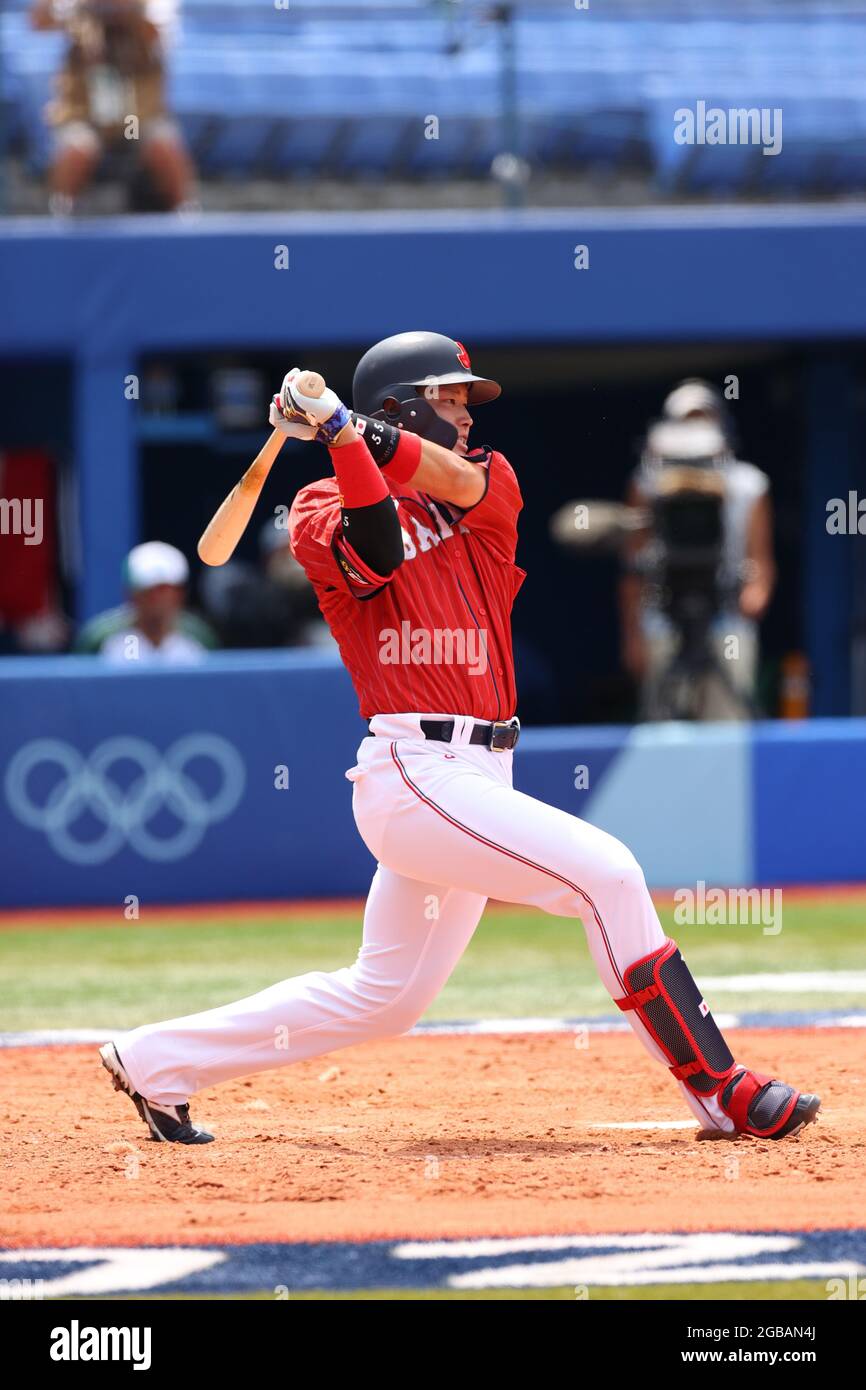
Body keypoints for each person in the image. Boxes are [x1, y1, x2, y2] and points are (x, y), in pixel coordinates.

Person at [99, 333, 818, 1145]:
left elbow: (449, 476)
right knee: (610, 875)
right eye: (449, 398)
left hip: (482, 771)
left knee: (387, 996)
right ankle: (720, 1089)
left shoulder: (488, 485)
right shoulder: (316, 510)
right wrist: (340, 436)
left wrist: (347, 426)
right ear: (402, 405)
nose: (466, 414)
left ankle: (154, 1061)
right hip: (414, 773)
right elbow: (372, 548)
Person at [620, 379, 775, 720]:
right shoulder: (646, 482)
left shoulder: (749, 484)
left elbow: (760, 558)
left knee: (728, 728)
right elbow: (634, 562)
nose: (695, 429)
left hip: (726, 617)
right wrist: (632, 634)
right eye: (686, 420)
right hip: (662, 619)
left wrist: (754, 593)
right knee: (662, 728)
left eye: (703, 419)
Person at [30, 0, 195, 214]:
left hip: (132, 118)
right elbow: (40, 21)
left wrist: (125, 11)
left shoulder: (151, 7)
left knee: (160, 142)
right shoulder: (79, 10)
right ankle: (60, 214)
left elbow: (157, 31)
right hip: (86, 116)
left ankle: (185, 215)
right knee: (79, 147)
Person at [75, 540, 217, 663]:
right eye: (149, 592)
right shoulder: (99, 639)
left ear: (180, 594)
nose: (159, 600)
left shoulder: (199, 638)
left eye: (165, 590)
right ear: (132, 594)